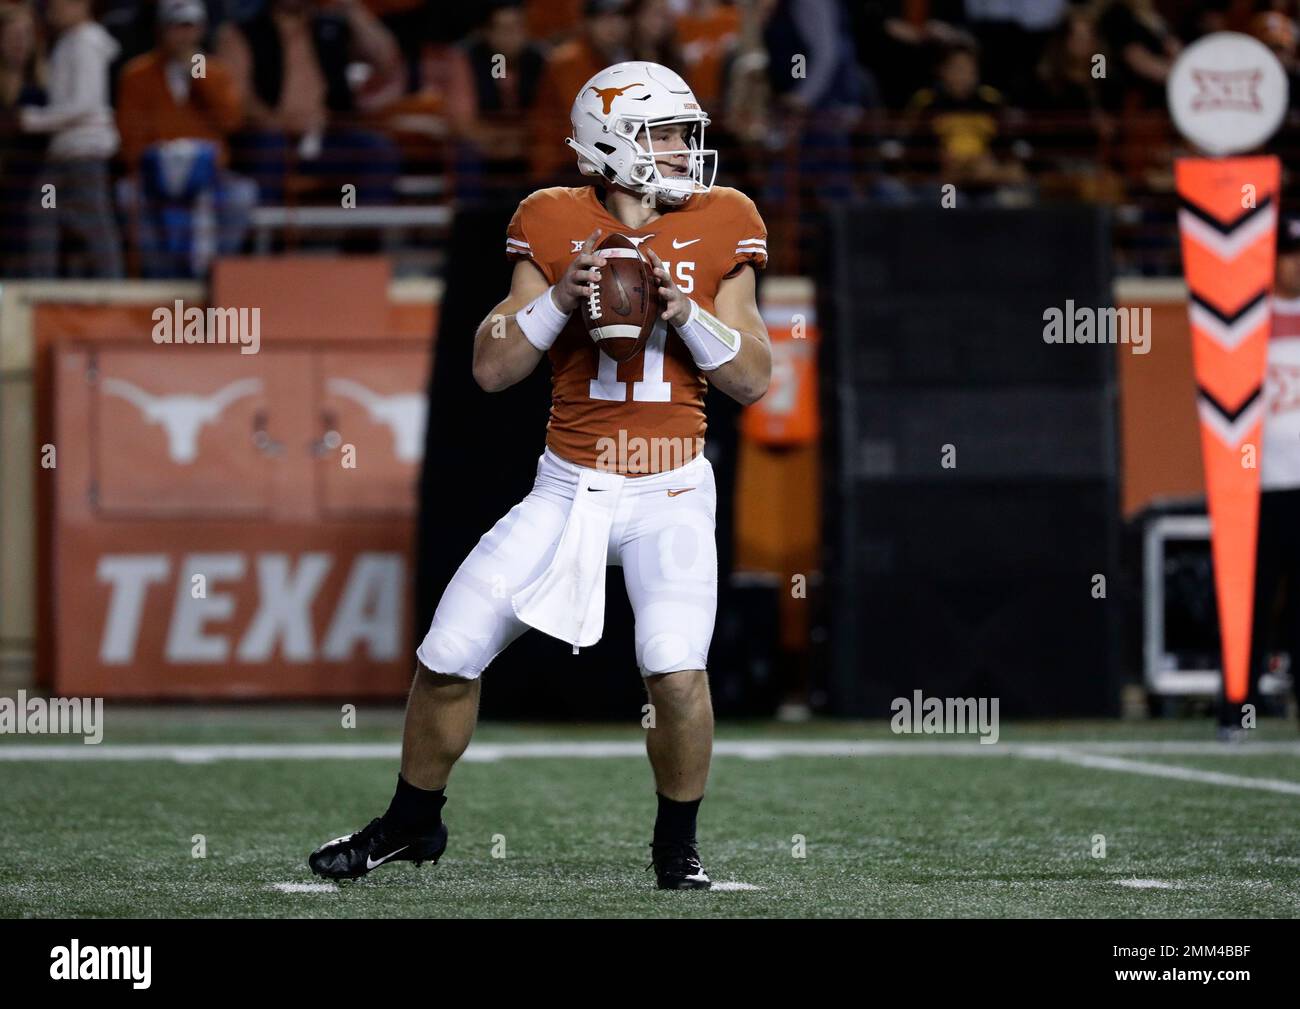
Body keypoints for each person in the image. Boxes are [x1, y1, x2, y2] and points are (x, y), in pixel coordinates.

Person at [309, 60, 771, 890]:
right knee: (447, 655)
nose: (680, 149)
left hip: (670, 488)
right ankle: (414, 821)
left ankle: (677, 847)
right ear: (611, 140)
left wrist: (685, 311)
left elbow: (754, 377)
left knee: (674, 669)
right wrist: (560, 297)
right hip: (570, 485)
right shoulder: (551, 218)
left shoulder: (723, 217)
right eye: (663, 132)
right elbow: (491, 368)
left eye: (681, 133)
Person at [115, 0, 256, 275]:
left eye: (189, 27)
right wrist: (163, 161)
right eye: (175, 27)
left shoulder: (214, 72)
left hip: (210, 175)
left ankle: (216, 274)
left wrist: (198, 75)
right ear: (161, 30)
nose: (183, 36)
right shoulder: (137, 74)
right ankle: (160, 279)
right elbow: (128, 135)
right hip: (153, 173)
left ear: (201, 30)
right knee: (126, 195)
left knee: (242, 195)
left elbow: (231, 121)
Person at [20, 0, 123, 277]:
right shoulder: (67, 41)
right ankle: (41, 289)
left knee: (93, 225)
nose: (52, 8)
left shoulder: (86, 42)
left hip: (84, 155)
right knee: (44, 212)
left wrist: (31, 119)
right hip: (63, 154)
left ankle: (112, 289)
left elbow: (84, 104)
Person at [1250, 216, 1300, 728]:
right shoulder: (1252, 322)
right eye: (1290, 252)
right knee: (1254, 596)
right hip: (1259, 483)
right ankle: (1240, 699)